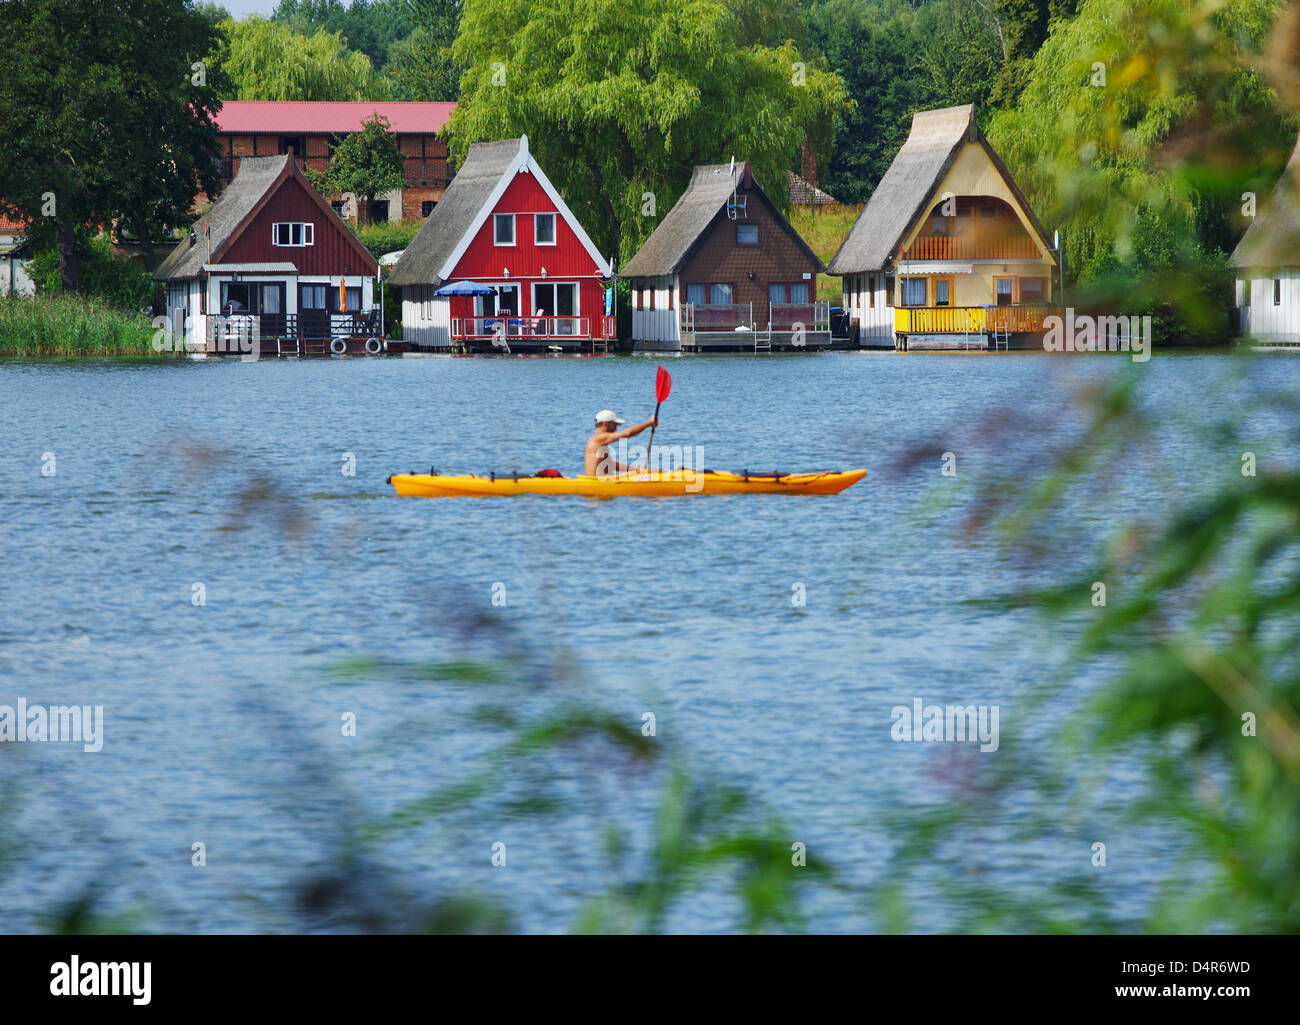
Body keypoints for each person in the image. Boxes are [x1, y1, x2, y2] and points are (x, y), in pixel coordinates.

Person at [585, 409, 656, 476]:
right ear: (606, 424)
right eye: (614, 425)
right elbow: (627, 433)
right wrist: (649, 423)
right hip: (599, 483)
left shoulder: (598, 440)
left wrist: (637, 470)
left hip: (604, 481)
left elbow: (610, 464)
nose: (615, 429)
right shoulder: (599, 438)